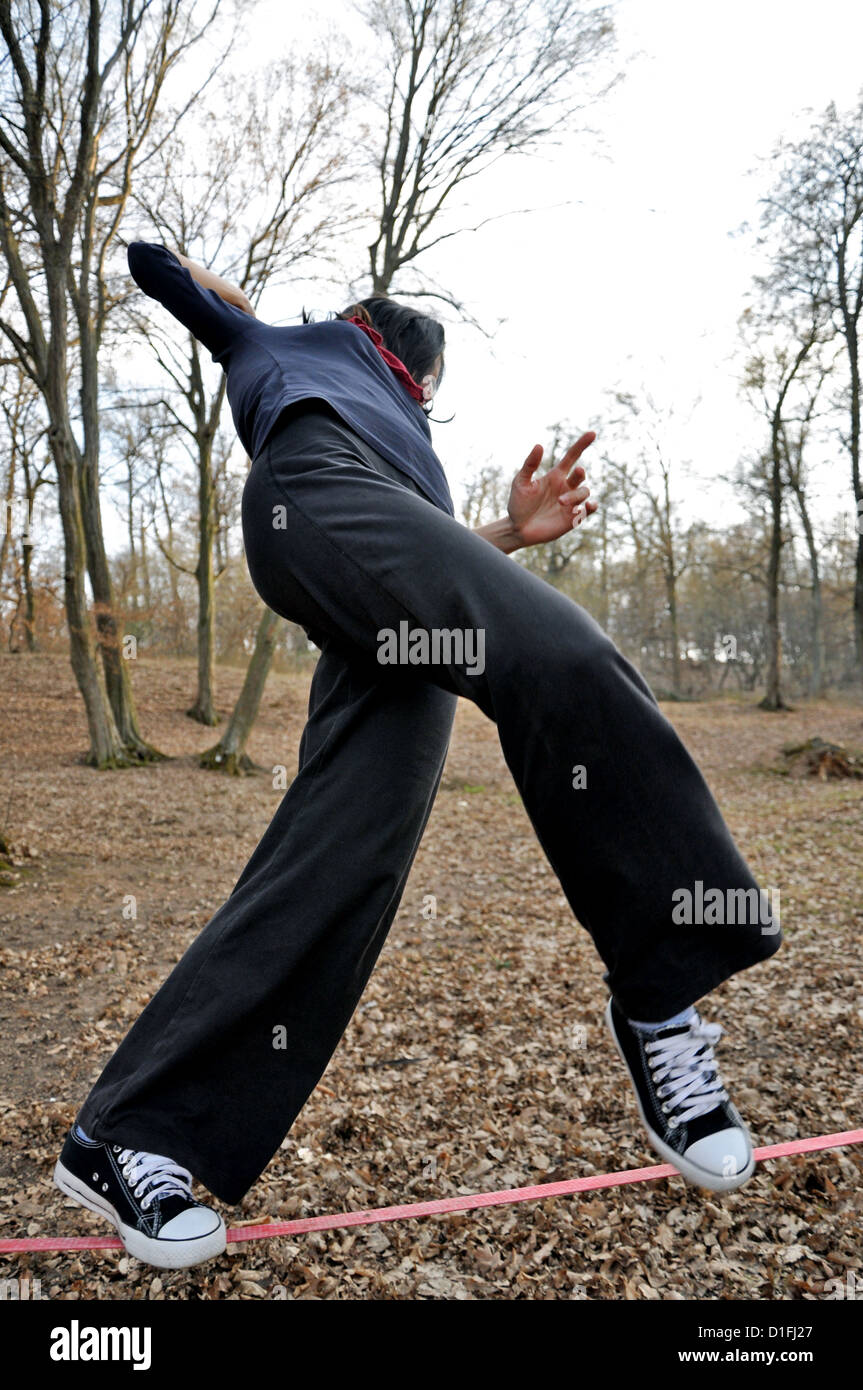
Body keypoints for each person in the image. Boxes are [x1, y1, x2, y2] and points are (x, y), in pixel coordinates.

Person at [53, 242, 782, 1270]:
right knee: (569, 654)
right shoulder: (288, 342)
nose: (421, 393)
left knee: (344, 853)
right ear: (375, 334)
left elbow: (427, 575)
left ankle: (132, 1135)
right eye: (421, 374)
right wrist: (222, 296)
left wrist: (508, 535)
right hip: (305, 495)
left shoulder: (411, 434)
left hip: (380, 581)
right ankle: (659, 989)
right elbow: (153, 267)